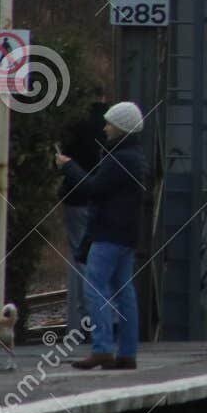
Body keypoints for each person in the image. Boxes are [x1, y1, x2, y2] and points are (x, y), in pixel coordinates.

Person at [55, 101, 148, 370]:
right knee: (125, 292)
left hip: (108, 233)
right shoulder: (136, 157)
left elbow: (92, 189)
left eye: (109, 123)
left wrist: (69, 167)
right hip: (126, 234)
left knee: (95, 288)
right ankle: (127, 352)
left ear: (120, 127)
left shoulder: (120, 159)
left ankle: (102, 348)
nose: (105, 128)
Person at [60, 100, 108, 335]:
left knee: (78, 260)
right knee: (98, 259)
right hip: (100, 203)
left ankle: (76, 325)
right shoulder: (109, 126)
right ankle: (95, 321)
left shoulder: (73, 123)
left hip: (74, 200)